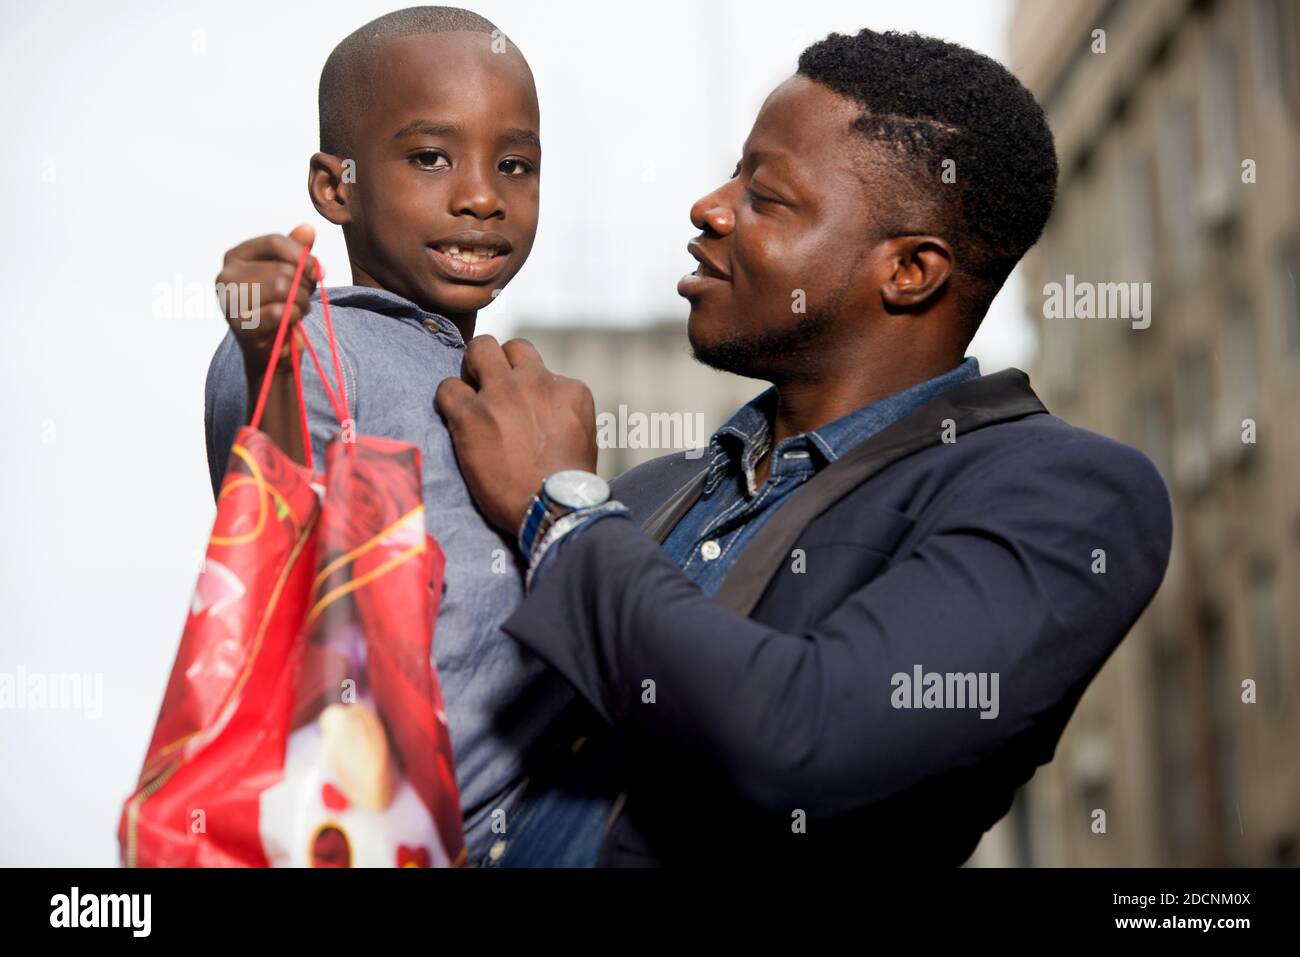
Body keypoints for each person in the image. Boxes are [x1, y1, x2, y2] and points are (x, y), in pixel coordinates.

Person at [435, 28, 1174, 866]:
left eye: (766, 195)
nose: (709, 207)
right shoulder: (643, 496)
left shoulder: (1068, 494)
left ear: (909, 270)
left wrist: (560, 509)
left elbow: (806, 737)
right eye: (731, 174)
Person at [206, 6, 608, 867]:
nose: (480, 194)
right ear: (335, 186)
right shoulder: (311, 339)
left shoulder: (499, 381)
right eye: (430, 157)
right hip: (394, 829)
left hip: (525, 815)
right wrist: (264, 349)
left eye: (515, 164)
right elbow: (272, 536)